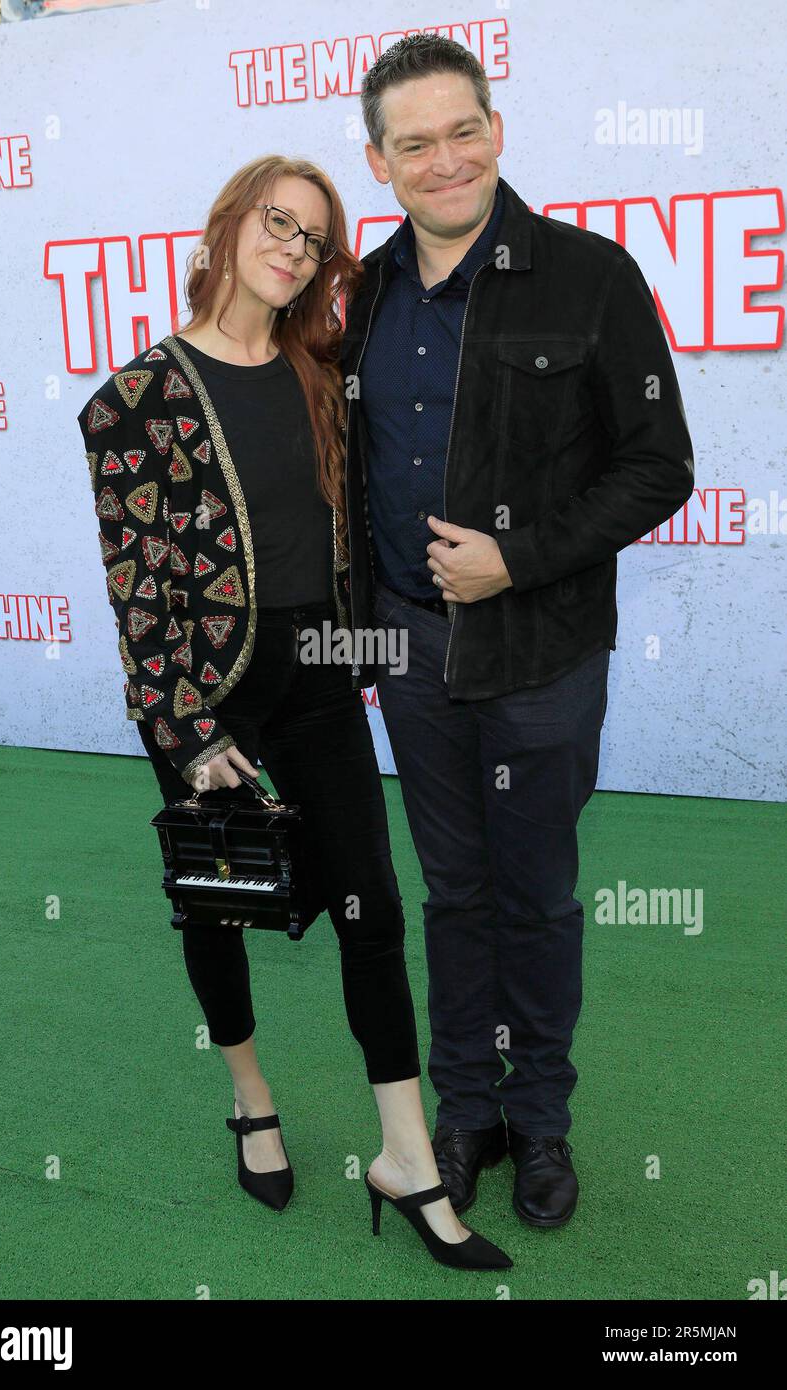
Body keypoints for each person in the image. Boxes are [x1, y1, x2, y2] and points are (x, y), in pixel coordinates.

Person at [76, 155, 511, 1271]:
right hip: (205, 697)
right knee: (213, 904)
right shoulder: (134, 399)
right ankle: (251, 1096)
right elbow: (138, 588)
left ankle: (406, 1156)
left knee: (373, 904)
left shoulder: (324, 370)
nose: (291, 246)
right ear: (227, 225)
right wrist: (186, 733)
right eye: (276, 221)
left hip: (318, 676)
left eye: (313, 238)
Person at [341, 35, 695, 1227]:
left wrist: (517, 557)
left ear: (494, 127)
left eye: (461, 130)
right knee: (451, 892)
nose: (444, 160)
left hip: (541, 651)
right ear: (379, 163)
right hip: (410, 655)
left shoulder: (590, 277)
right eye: (413, 143)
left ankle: (540, 1122)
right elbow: (344, 475)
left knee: (534, 894)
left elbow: (659, 466)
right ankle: (465, 1109)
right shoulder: (363, 295)